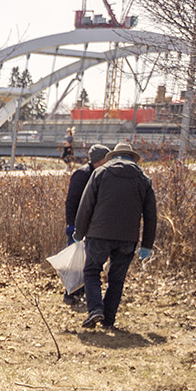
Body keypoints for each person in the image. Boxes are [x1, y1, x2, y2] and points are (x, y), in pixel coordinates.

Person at [73, 141, 157, 331]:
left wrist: (79, 232)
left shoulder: (100, 173)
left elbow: (86, 206)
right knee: (116, 279)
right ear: (131, 158)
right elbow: (151, 216)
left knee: (92, 271)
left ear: (115, 157)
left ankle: (95, 309)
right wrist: (147, 245)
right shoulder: (144, 179)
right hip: (128, 238)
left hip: (98, 234)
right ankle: (108, 320)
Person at [61, 144, 109, 301]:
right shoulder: (82, 174)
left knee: (90, 261)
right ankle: (71, 293)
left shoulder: (102, 174)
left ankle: (82, 292)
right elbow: (72, 201)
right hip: (79, 225)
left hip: (96, 226)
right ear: (100, 160)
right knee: (76, 264)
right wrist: (71, 225)